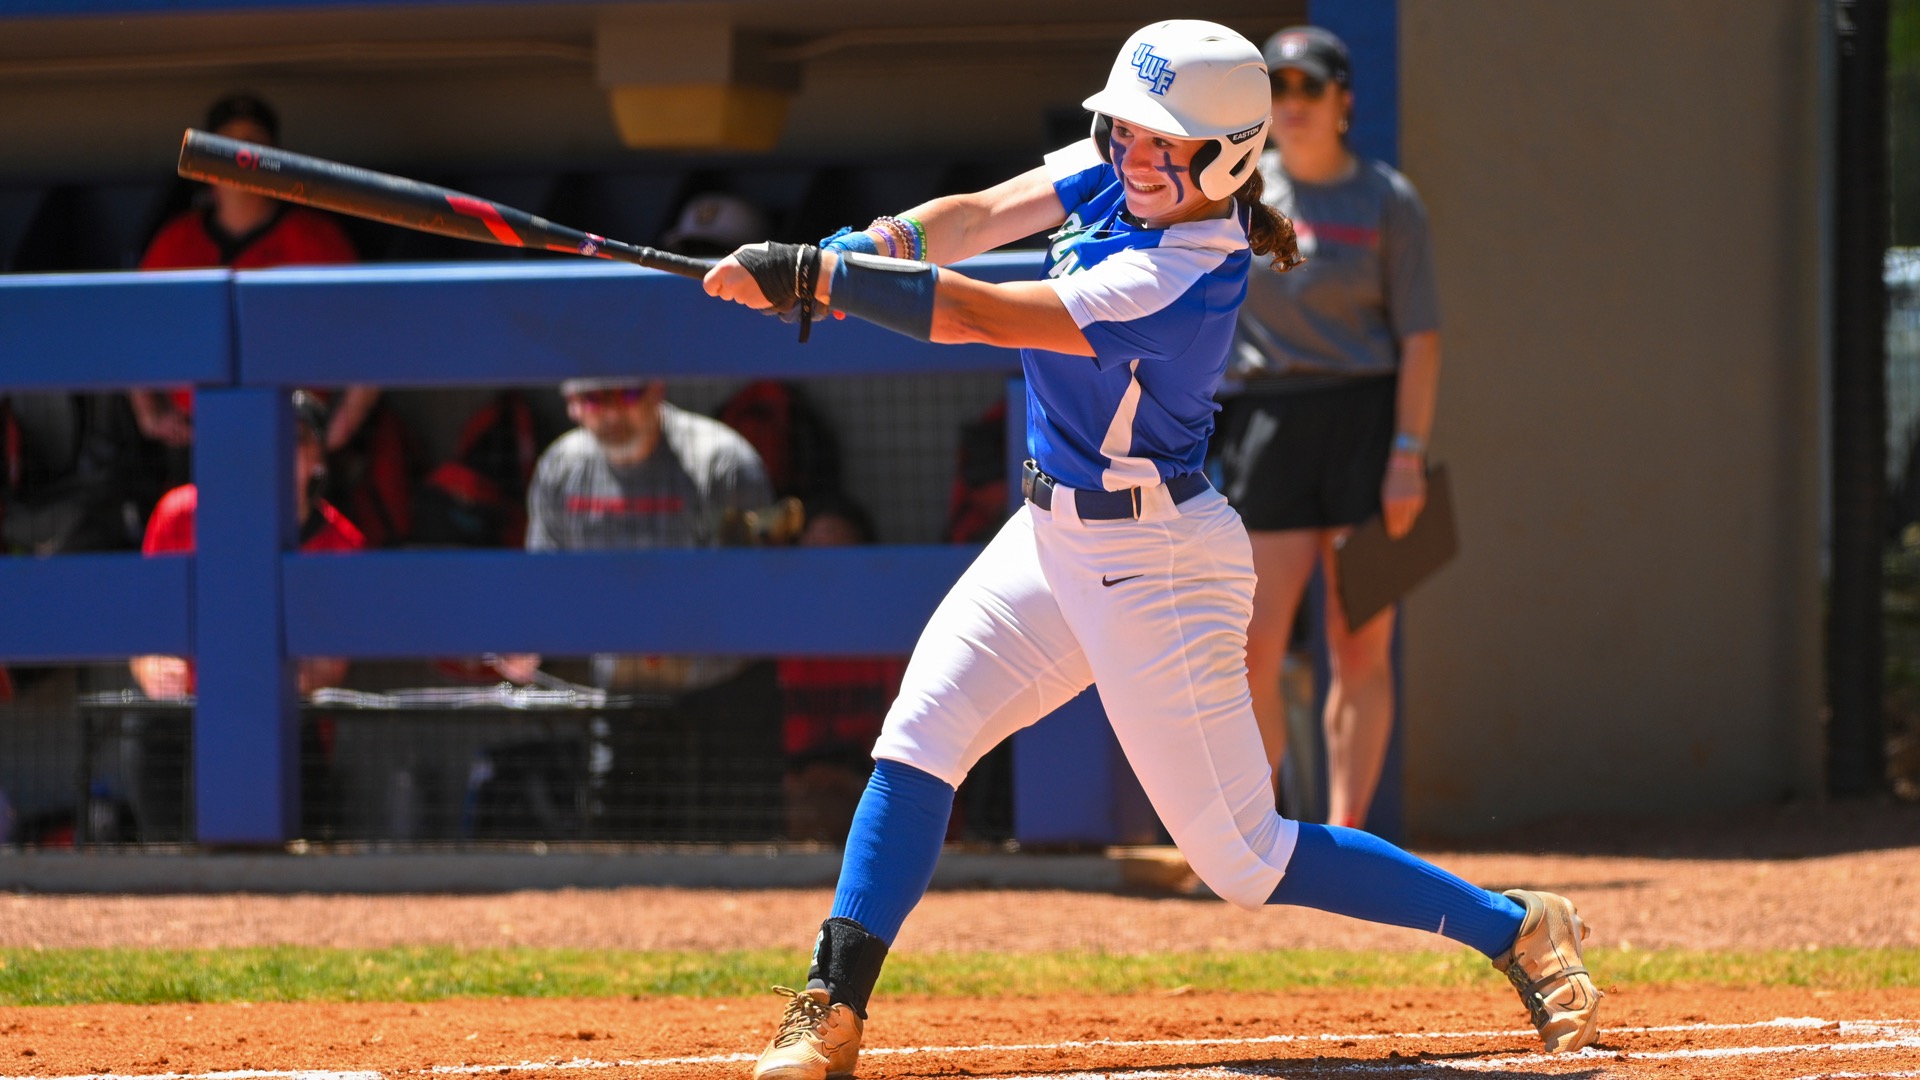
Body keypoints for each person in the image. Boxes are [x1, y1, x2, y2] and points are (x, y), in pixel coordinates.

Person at [702, 21, 1600, 1076]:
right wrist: (876, 243)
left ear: (1226, 158)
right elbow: (986, 216)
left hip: (1155, 562)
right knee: (920, 737)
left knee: (1245, 858)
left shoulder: (1187, 269)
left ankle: (1515, 927)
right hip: (1047, 538)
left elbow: (992, 314)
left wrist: (824, 281)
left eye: (1161, 139)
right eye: (1126, 128)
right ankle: (829, 1006)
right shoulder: (1118, 171)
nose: (1132, 151)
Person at [1215, 26, 1444, 832]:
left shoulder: (1389, 200)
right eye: (1277, 88)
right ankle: (1255, 837)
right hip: (1265, 423)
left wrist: (1408, 454)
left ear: (1345, 100)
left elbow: (1421, 337)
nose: (1293, 104)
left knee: (1359, 645)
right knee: (1254, 647)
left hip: (1367, 426)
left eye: (1310, 87)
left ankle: (1349, 841)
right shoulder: (1239, 195)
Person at [495, 376, 784, 838]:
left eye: (625, 394)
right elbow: (543, 584)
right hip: (623, 699)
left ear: (656, 391)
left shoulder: (720, 462)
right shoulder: (560, 469)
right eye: (593, 399)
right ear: (571, 405)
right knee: (619, 855)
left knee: (737, 852)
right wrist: (528, 639)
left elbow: (757, 593)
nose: (610, 413)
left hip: (723, 695)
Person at [134, 92, 409, 543]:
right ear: (205, 163)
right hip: (204, 437)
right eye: (229, 148)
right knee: (196, 552)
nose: (244, 160)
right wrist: (148, 410)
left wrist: (345, 420)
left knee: (305, 568)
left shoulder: (316, 239)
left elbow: (376, 331)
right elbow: (129, 327)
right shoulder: (176, 242)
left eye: (255, 147)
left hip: (294, 440)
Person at [129, 391, 361, 700]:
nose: (276, 450)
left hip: (283, 711)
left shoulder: (342, 542)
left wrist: (281, 677)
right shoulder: (180, 513)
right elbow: (146, 629)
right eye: (263, 437)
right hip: (183, 709)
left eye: (294, 438)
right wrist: (153, 668)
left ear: (317, 458)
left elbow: (330, 664)